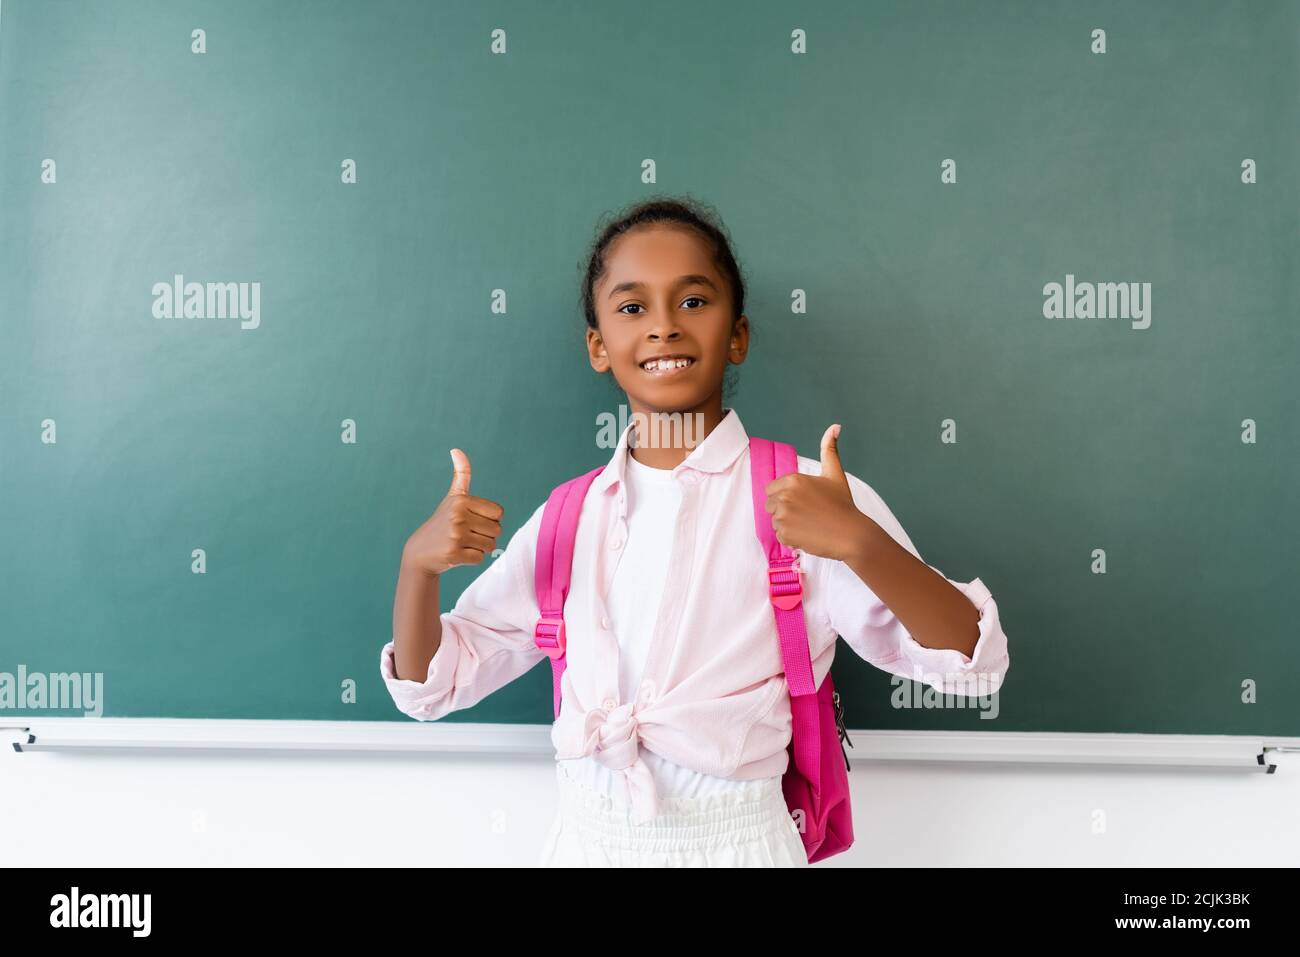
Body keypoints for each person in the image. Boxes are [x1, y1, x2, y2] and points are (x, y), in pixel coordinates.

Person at [382, 196, 1010, 866]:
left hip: (740, 845)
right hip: (585, 843)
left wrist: (862, 542)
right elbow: (434, 685)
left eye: (693, 302)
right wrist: (417, 567)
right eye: (632, 307)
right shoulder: (569, 518)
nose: (662, 328)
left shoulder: (811, 500)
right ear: (598, 346)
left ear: (737, 334)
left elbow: (973, 667)